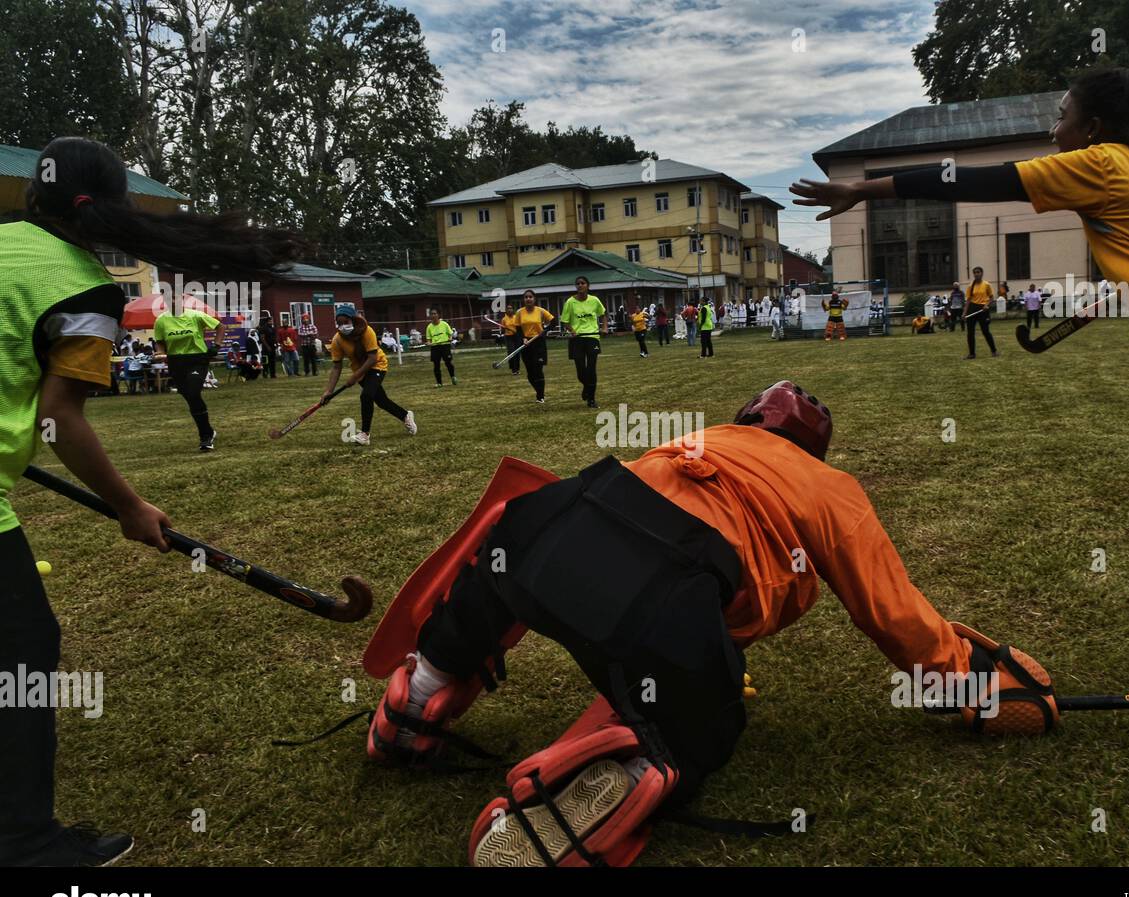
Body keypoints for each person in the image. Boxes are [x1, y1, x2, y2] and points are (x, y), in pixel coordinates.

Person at [364, 381, 1057, 867]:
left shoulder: (703, 437)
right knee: (704, 727)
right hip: (663, 588)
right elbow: (893, 613)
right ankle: (627, 766)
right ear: (816, 450)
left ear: (750, 419)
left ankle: (420, 694)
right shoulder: (831, 489)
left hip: (552, 522)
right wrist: (967, 686)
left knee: (500, 584)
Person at [793, 66, 1129, 684]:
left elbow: (975, 180)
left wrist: (864, 190)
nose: (1053, 127)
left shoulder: (1103, 163)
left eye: (1062, 115)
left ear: (1091, 128)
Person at [0, 135, 305, 867]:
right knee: (24, 650)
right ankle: (22, 841)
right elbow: (60, 419)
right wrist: (132, 507)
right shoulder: (80, 288)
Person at [322, 303, 417, 446]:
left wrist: (354, 377)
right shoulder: (337, 340)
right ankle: (405, 415)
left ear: (353, 320)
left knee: (366, 395)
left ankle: (365, 434)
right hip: (359, 370)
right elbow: (336, 367)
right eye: (339, 323)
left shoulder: (367, 331)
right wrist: (328, 391)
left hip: (377, 365)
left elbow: (372, 358)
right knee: (381, 401)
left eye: (345, 322)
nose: (342, 326)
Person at [153, 303, 224, 452]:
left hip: (197, 360)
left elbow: (220, 327)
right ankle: (209, 431)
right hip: (176, 362)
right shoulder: (161, 320)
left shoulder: (195, 315)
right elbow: (160, 342)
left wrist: (216, 346)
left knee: (193, 392)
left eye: (175, 297)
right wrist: (159, 352)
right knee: (190, 398)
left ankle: (205, 437)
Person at [560, 276, 605, 409]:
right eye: (578, 284)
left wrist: (604, 327)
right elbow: (565, 321)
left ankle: (591, 399)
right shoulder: (570, 302)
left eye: (583, 283)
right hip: (577, 339)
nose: (580, 285)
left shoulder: (594, 300)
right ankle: (586, 386)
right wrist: (572, 330)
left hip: (592, 337)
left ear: (587, 285)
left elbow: (603, 314)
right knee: (581, 371)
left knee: (591, 369)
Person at [513, 290, 554, 403]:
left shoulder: (540, 311)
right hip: (526, 344)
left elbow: (553, 322)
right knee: (530, 373)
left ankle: (540, 396)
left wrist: (544, 331)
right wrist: (523, 338)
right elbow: (518, 329)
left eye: (530, 297)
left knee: (538, 370)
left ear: (534, 299)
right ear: (524, 299)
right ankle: (539, 391)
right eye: (526, 297)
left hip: (538, 343)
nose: (528, 299)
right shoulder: (519, 312)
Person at [959, 267, 998, 359]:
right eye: (975, 273)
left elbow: (991, 298)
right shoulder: (970, 286)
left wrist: (987, 305)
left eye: (978, 272)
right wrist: (964, 313)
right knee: (970, 332)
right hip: (972, 308)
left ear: (982, 273)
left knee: (985, 331)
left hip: (983, 309)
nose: (976, 274)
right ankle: (972, 354)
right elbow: (968, 300)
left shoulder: (986, 284)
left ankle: (994, 351)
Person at [426, 309, 456, 387]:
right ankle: (439, 383)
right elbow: (428, 339)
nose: (433, 315)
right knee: (436, 365)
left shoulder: (444, 324)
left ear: (438, 315)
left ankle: (453, 377)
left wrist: (450, 338)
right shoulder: (429, 327)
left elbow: (450, 334)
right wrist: (429, 343)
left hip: (445, 345)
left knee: (448, 363)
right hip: (435, 347)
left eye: (435, 314)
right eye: (432, 314)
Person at [500, 306, 522, 376]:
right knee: (511, 352)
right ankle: (513, 369)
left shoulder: (516, 317)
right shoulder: (504, 319)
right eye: (508, 309)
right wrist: (504, 328)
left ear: (513, 310)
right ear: (506, 310)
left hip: (516, 337)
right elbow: (502, 330)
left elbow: (519, 327)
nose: (510, 310)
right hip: (509, 337)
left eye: (511, 308)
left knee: (517, 352)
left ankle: (517, 369)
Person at [258, 312, 278, 378]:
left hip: (273, 346)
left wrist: (276, 344)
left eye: (272, 321)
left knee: (273, 361)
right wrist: (267, 346)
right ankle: (265, 374)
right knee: (266, 361)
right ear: (267, 321)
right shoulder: (263, 328)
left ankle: (273, 374)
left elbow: (274, 337)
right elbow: (262, 338)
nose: (271, 322)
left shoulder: (273, 328)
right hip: (266, 347)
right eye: (270, 321)